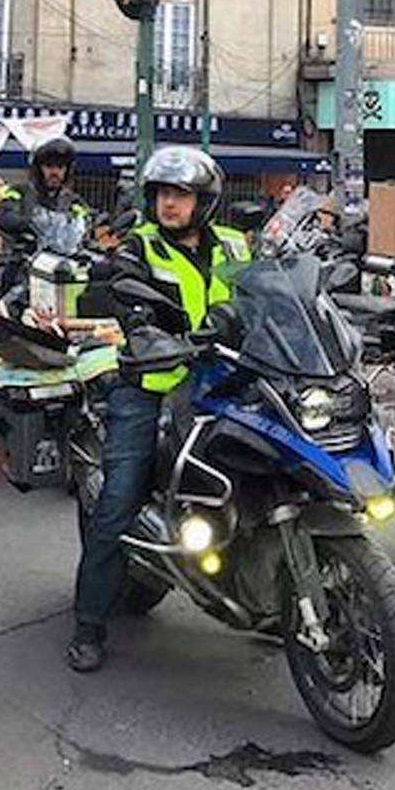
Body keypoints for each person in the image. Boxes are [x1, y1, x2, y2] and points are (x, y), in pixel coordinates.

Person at [66, 147, 250, 673]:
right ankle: (90, 623)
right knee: (120, 494)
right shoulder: (138, 248)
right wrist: (143, 321)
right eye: (163, 194)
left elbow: (268, 292)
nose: (169, 204)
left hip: (229, 380)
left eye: (181, 195)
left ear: (204, 201)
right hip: (153, 383)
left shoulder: (237, 245)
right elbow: (120, 294)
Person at [0, 137, 90, 239]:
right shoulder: (19, 192)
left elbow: (86, 217)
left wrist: (97, 223)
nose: (55, 172)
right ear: (38, 169)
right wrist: (27, 222)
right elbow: (3, 216)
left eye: (60, 167)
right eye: (49, 166)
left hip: (62, 253)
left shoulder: (73, 201)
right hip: (26, 252)